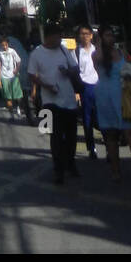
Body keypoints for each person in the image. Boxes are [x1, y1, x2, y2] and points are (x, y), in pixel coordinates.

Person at [92, 26, 131, 185]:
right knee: (111, 137)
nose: (111, 38)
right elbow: (98, 58)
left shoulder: (120, 52)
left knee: (130, 133)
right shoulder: (97, 54)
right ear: (100, 38)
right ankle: (115, 172)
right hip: (105, 97)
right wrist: (99, 43)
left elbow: (130, 67)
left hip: (122, 96)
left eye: (112, 35)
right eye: (107, 35)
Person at [27, 25, 79, 185]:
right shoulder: (37, 53)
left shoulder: (64, 50)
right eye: (57, 36)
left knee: (71, 136)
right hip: (49, 101)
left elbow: (76, 69)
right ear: (49, 37)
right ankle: (58, 170)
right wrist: (46, 86)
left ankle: (70, 162)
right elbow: (31, 74)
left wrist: (68, 72)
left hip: (69, 100)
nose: (59, 40)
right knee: (55, 136)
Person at [76, 26, 100, 159]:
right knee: (87, 119)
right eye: (81, 34)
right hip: (84, 87)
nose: (84, 36)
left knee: (100, 117)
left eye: (86, 33)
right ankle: (92, 148)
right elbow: (75, 72)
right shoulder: (76, 52)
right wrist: (77, 92)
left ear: (91, 35)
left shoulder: (97, 51)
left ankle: (109, 145)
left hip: (97, 86)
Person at [0, 35, 22, 119]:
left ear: (8, 44)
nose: (4, 47)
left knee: (17, 96)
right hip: (4, 76)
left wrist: (16, 70)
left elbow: (18, 61)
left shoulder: (12, 51)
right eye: (2, 45)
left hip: (13, 76)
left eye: (5, 45)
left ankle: (18, 107)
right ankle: (11, 114)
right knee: (8, 97)